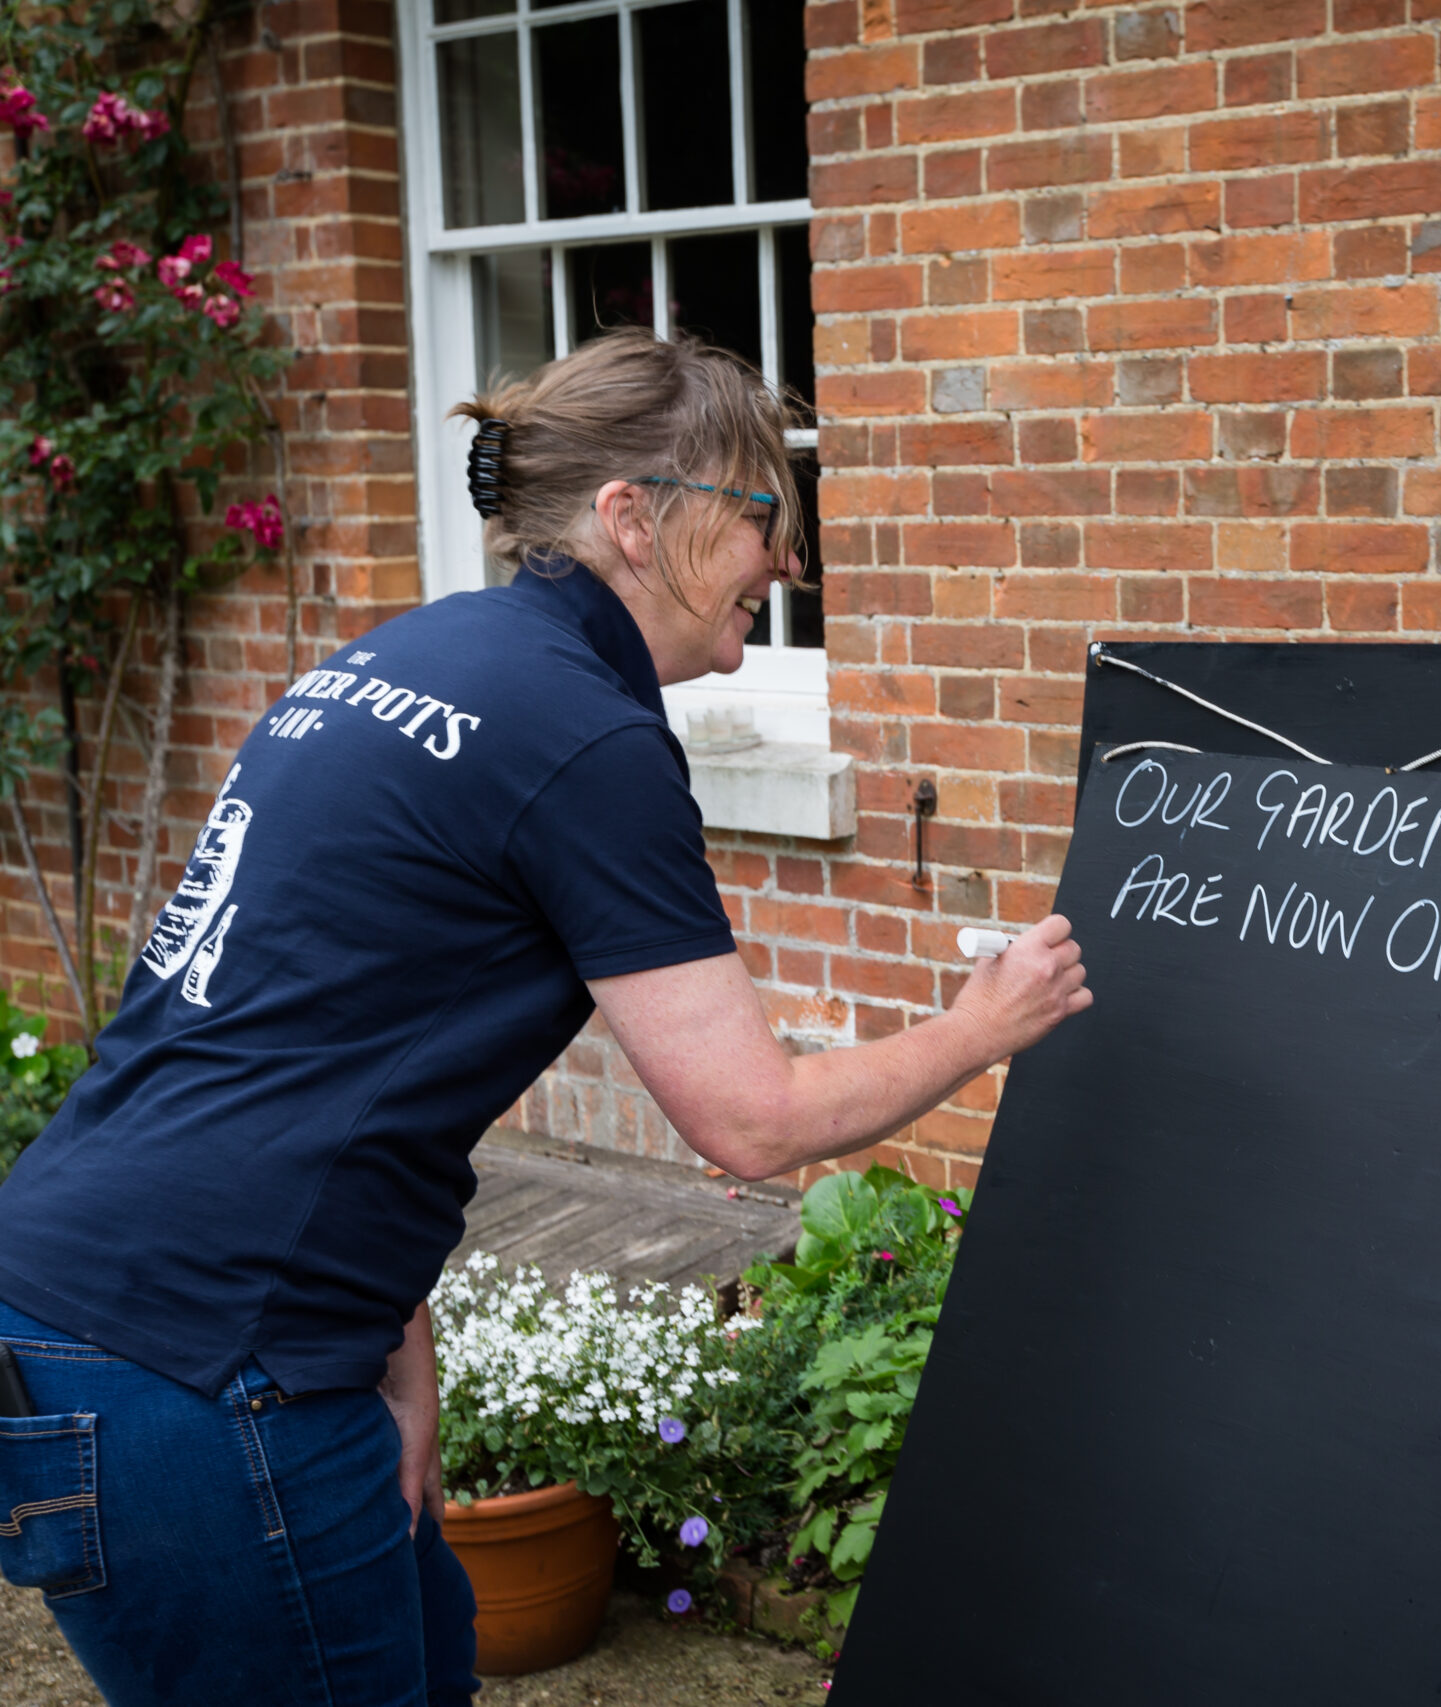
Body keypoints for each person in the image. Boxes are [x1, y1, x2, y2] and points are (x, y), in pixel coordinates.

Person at [0, 329, 1091, 1705]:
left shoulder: (412, 656)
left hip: (101, 1306)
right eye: (764, 518)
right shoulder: (584, 735)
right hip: (204, 1371)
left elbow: (313, 1023)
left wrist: (401, 1353)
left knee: (427, 1657)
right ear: (631, 519)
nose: (787, 565)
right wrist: (985, 1022)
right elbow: (753, 1122)